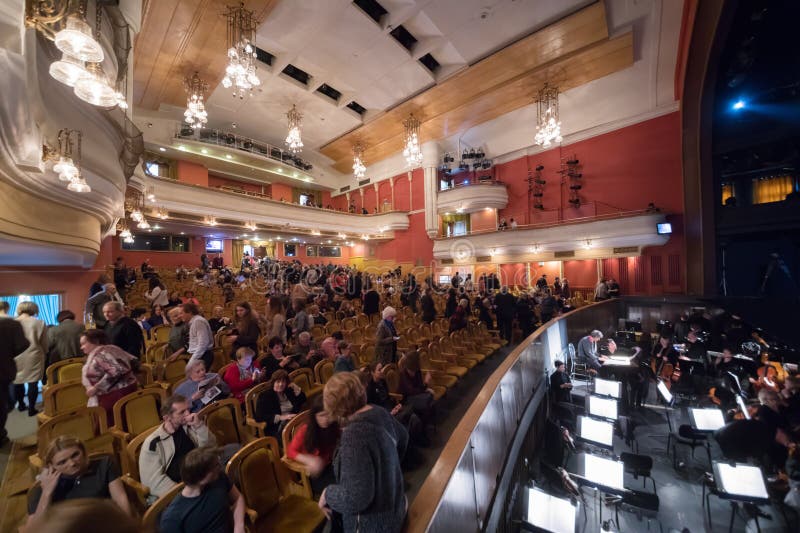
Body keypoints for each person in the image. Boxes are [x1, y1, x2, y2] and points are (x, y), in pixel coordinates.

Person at [319, 372, 408, 533]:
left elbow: (356, 498)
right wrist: (386, 471)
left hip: (374, 524)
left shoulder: (354, 436)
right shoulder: (378, 411)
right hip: (396, 505)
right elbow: (403, 437)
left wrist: (327, 494)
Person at [26, 436, 132, 522]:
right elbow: (35, 529)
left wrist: (126, 526)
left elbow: (121, 499)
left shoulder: (104, 465)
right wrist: (47, 493)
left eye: (75, 455)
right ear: (51, 466)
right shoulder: (41, 488)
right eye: (62, 462)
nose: (72, 463)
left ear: (83, 451)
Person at [139, 394, 216, 501]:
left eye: (188, 409)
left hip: (200, 477)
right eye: (182, 412)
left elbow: (210, 449)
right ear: (167, 418)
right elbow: (154, 482)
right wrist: (186, 493)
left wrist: (199, 426)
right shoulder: (153, 443)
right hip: (177, 492)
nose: (188, 414)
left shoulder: (188, 426)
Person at [160, 446, 246, 533]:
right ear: (201, 477)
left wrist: (239, 526)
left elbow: (238, 498)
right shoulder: (172, 518)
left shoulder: (219, 478)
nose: (220, 466)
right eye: (216, 466)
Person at [80, 329, 139, 425]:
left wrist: (96, 387)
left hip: (115, 396)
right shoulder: (112, 348)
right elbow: (135, 361)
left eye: (84, 343)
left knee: (113, 424)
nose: (81, 347)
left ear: (95, 341)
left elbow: (116, 371)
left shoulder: (101, 355)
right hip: (129, 390)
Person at [362, 362, 426, 446]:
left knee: (414, 418)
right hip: (384, 415)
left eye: (382, 368)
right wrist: (390, 412)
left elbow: (388, 398)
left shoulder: (383, 381)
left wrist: (396, 406)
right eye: (379, 370)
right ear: (372, 372)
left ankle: (415, 443)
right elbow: (374, 407)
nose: (382, 371)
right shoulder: (369, 388)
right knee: (411, 416)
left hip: (391, 409)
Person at [286, 396, 339, 494]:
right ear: (315, 416)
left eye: (328, 415)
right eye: (322, 415)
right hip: (314, 474)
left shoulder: (333, 425)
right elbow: (290, 451)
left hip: (330, 465)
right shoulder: (305, 430)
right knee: (338, 492)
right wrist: (308, 459)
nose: (326, 419)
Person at [0, 300, 30, 445]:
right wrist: (7, 355)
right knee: (2, 404)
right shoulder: (12, 324)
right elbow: (23, 345)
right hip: (3, 370)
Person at [15, 301, 47, 416]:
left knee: (17, 381)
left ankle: (21, 405)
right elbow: (44, 343)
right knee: (33, 382)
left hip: (16, 355)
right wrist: (45, 352)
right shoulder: (39, 322)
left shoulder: (12, 322)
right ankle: (31, 409)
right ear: (34, 309)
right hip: (34, 355)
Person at [254, 370, 306, 439]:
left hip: (293, 420)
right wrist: (281, 417)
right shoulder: (265, 396)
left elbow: (303, 400)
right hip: (277, 427)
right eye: (278, 382)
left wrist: (296, 388)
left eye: (283, 381)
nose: (281, 384)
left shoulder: (288, 391)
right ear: (273, 383)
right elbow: (259, 417)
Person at [398, 350, 435, 423]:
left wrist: (425, 388)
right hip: (408, 398)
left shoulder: (417, 371)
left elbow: (419, 385)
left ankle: (426, 424)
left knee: (430, 397)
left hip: (417, 395)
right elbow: (411, 391)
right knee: (427, 401)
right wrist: (426, 383)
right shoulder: (403, 374)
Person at [182, 303, 214, 370]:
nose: (180, 316)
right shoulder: (194, 321)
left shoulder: (198, 321)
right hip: (200, 355)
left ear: (189, 312)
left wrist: (192, 360)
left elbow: (203, 343)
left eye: (182, 313)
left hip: (203, 356)